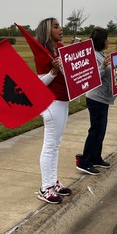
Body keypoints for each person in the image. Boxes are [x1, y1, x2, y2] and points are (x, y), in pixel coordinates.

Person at [34, 17, 72, 204]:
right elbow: (39, 84)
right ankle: (45, 187)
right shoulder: (43, 54)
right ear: (48, 30)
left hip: (63, 100)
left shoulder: (59, 48)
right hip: (52, 103)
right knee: (49, 146)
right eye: (56, 27)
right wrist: (53, 72)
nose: (61, 29)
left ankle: (52, 181)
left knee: (56, 144)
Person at [76, 28, 113, 175]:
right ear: (101, 40)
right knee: (96, 130)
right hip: (95, 98)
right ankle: (85, 162)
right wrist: (103, 66)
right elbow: (92, 76)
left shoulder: (101, 54)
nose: (109, 41)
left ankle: (96, 157)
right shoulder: (93, 56)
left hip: (103, 98)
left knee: (101, 130)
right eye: (107, 38)